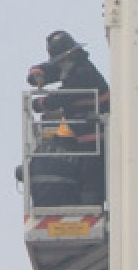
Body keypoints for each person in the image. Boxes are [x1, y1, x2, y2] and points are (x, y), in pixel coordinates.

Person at [26, 31, 110, 206]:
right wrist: (37, 73)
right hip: (82, 131)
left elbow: (64, 96)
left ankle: (91, 202)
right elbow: (51, 72)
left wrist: (42, 103)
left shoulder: (82, 72)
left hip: (93, 132)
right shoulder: (71, 66)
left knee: (91, 171)